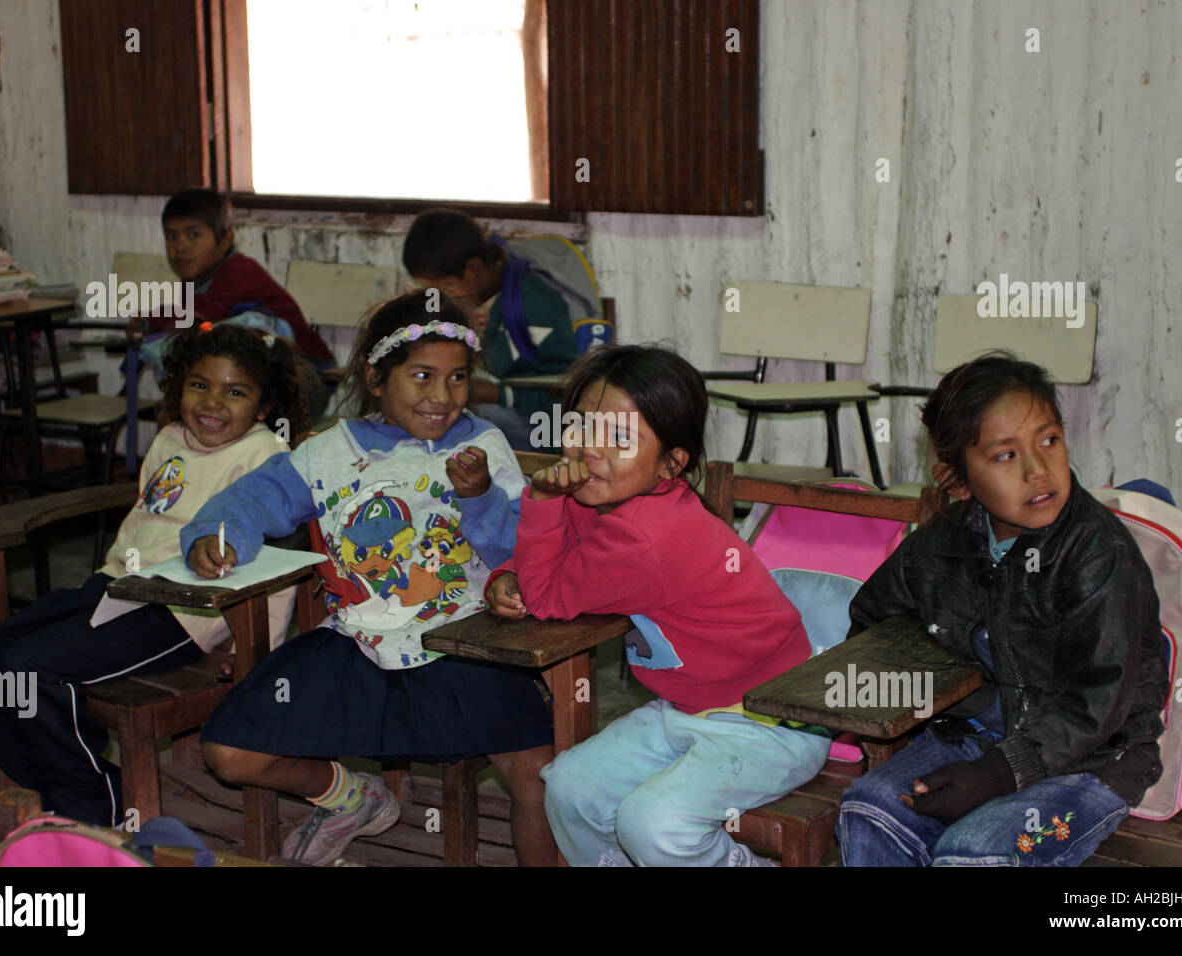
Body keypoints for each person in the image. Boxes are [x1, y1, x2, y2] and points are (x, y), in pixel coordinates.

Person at [183, 290, 557, 866]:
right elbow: (250, 500)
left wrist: (479, 497)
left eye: (458, 379)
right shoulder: (327, 453)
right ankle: (351, 797)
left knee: (538, 774)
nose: (442, 397)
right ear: (376, 377)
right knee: (229, 752)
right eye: (423, 376)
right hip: (357, 643)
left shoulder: (483, 446)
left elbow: (523, 552)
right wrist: (215, 536)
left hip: (465, 643)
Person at [486, 344, 829, 866]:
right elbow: (548, 567)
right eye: (581, 427)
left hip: (773, 723)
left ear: (672, 462)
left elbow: (549, 595)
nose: (590, 449)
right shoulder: (608, 499)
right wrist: (507, 573)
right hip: (688, 708)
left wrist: (540, 500)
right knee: (569, 788)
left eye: (621, 436)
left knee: (651, 824)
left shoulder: (645, 536)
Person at [0, 324, 307, 827]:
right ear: (178, 387)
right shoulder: (169, 437)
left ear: (261, 407)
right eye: (199, 385)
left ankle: (94, 800)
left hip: (182, 610)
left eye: (234, 392)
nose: (212, 403)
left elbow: (282, 559)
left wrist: (256, 649)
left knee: (33, 669)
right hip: (112, 586)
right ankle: (56, 787)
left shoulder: (264, 455)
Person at [837, 352, 1168, 866]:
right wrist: (923, 706)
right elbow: (875, 625)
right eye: (1006, 456)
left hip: (1091, 764)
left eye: (1049, 440)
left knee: (976, 853)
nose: (1039, 469)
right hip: (970, 740)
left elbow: (1096, 702)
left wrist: (997, 774)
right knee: (869, 809)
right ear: (957, 480)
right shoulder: (940, 545)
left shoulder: (1098, 553)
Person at [131, 187, 335, 416]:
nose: (180, 247)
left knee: (233, 401)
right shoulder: (194, 282)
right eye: (171, 236)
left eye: (193, 235)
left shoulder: (238, 272)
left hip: (307, 379)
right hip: (269, 379)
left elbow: (197, 320)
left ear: (226, 238)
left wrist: (149, 323)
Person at [402, 208, 581, 451]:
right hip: (490, 410)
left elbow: (568, 394)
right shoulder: (456, 301)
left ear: (473, 269)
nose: (435, 296)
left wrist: (499, 394)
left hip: (543, 427)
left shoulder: (535, 303)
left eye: (444, 286)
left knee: (464, 422)